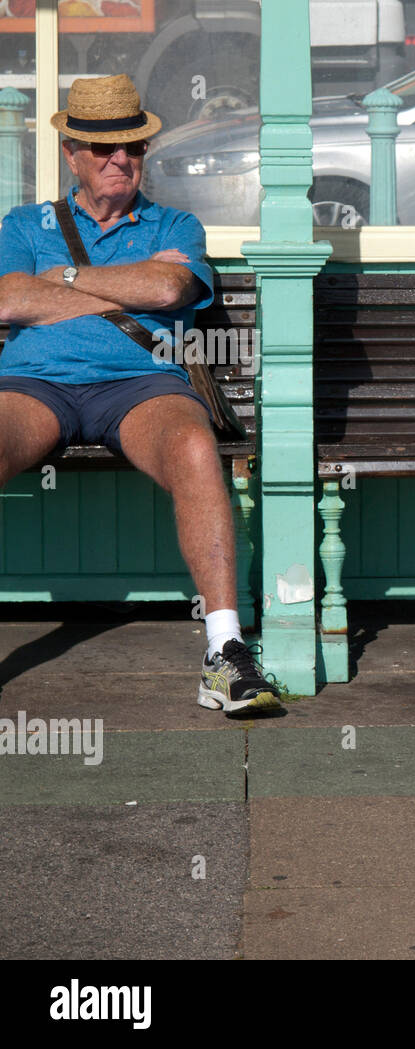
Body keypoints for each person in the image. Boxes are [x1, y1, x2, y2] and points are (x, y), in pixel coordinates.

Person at [0, 73, 281, 715]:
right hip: (32, 385)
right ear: (72, 153)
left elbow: (168, 292)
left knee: (192, 445)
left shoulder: (173, 223)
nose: (119, 159)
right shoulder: (24, 223)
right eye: (102, 148)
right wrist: (119, 284)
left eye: (131, 147)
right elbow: (8, 298)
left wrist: (66, 280)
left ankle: (226, 653)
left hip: (140, 385)